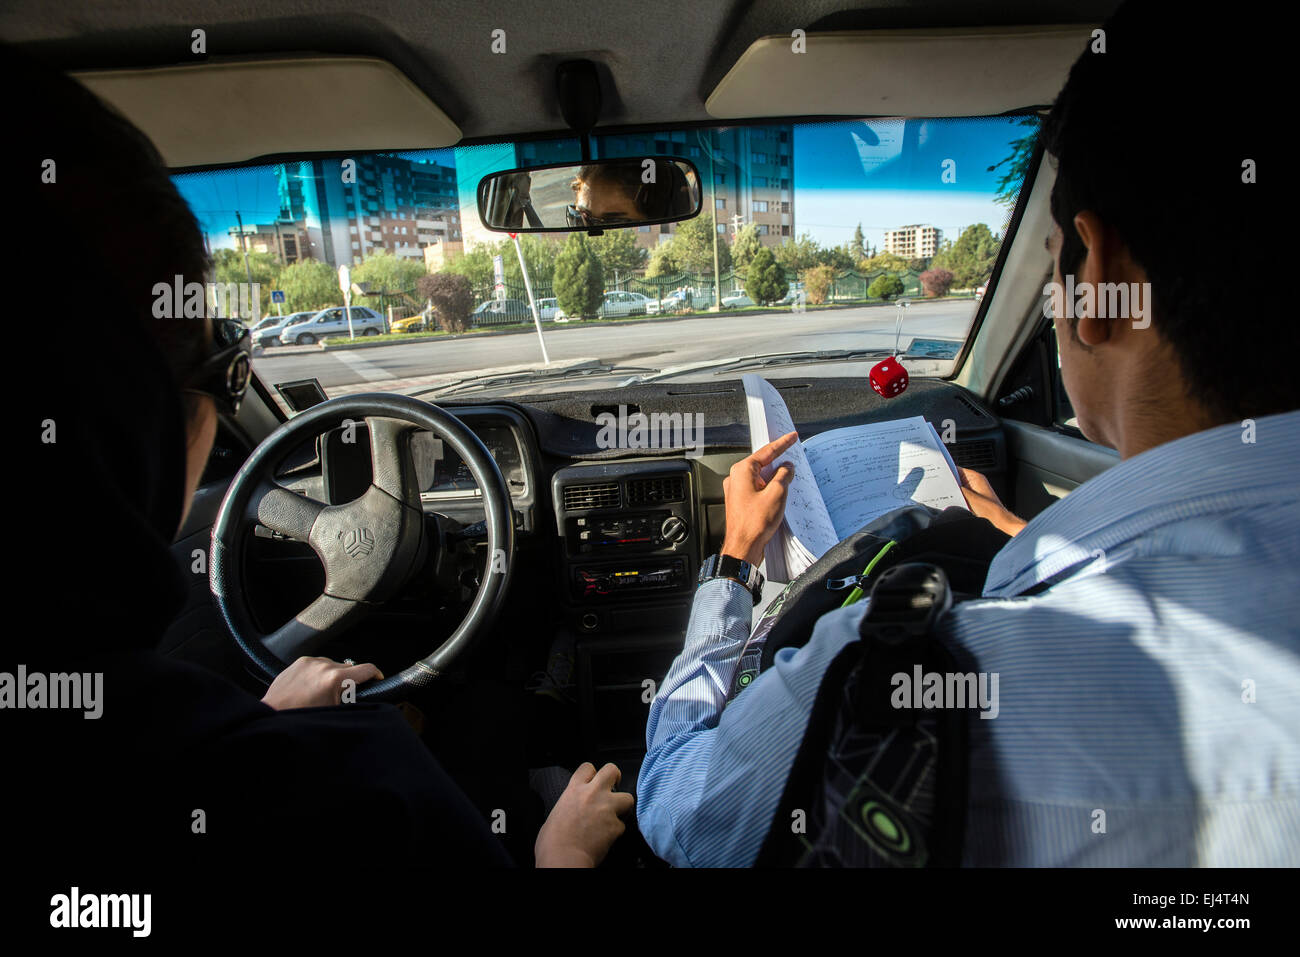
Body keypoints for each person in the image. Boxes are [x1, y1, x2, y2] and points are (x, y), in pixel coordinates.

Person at [637, 1, 1296, 866]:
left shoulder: (898, 682)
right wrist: (1028, 539)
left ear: (1094, 277)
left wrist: (728, 571)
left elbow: (678, 803)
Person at [3, 47, 631, 871]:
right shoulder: (353, 790)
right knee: (493, 726)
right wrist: (561, 856)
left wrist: (264, 718)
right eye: (228, 367)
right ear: (139, 419)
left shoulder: (269, 763)